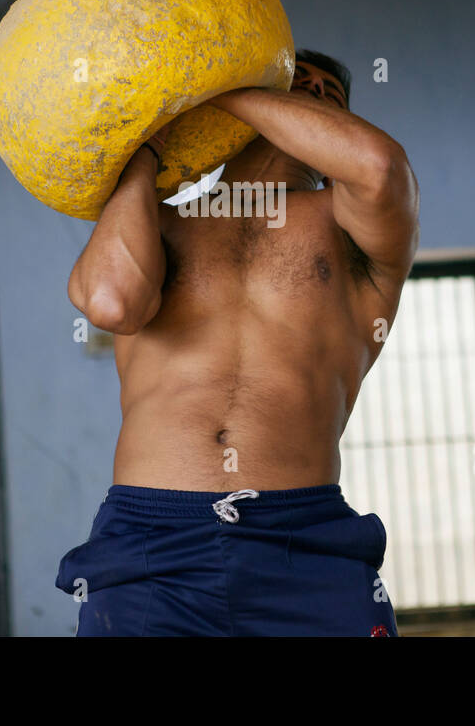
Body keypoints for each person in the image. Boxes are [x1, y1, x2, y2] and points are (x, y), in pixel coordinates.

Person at [56, 50, 420, 635]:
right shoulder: (164, 219)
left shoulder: (359, 232)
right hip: (153, 544)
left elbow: (378, 167)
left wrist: (214, 91)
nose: (314, 94)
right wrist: (151, 144)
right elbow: (110, 302)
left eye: (330, 95)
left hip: (305, 542)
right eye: (297, 82)